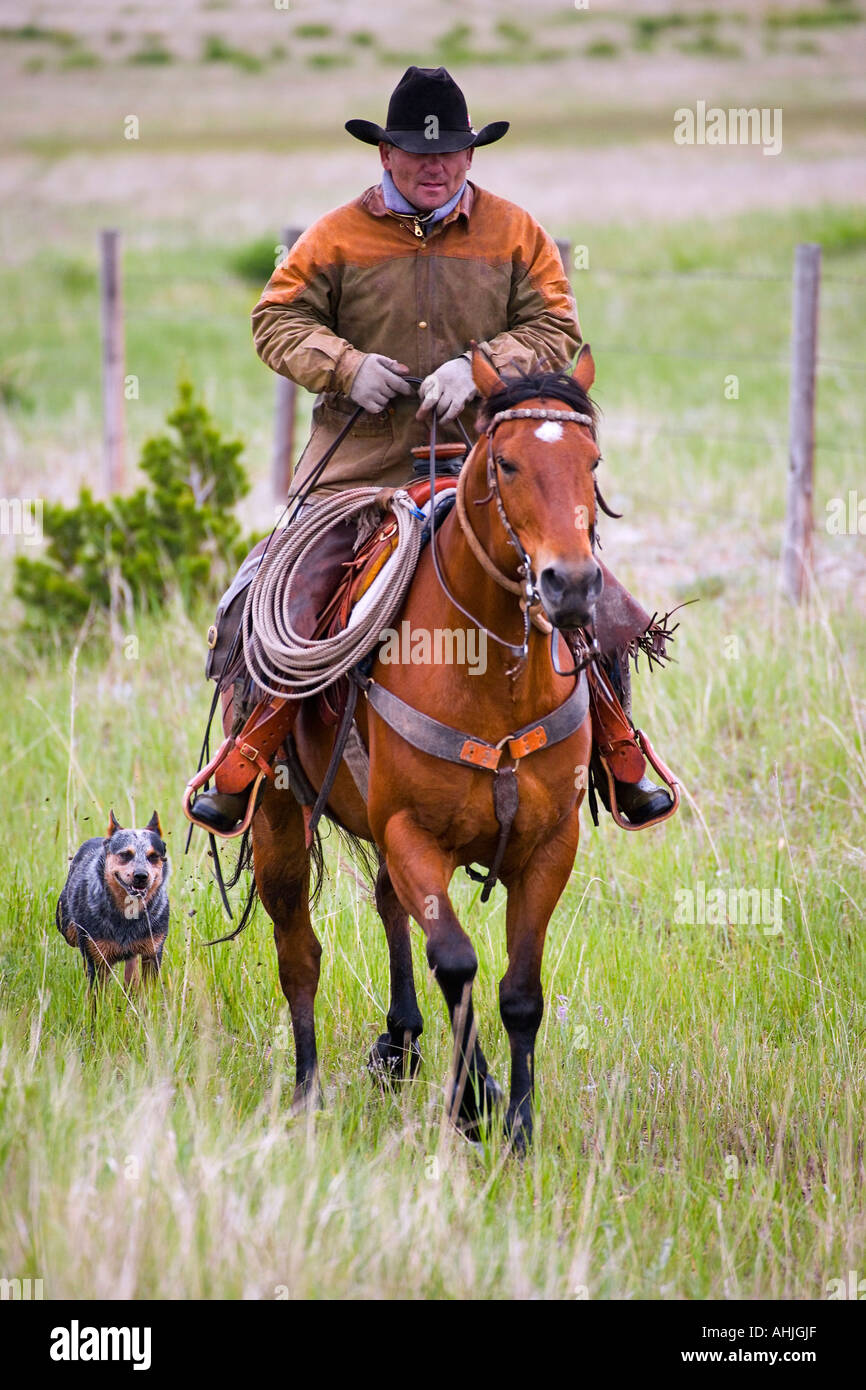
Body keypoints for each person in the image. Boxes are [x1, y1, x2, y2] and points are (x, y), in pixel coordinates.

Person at [186, 67, 676, 836]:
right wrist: (348, 368)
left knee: (586, 588)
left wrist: (477, 365)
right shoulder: (335, 236)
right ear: (385, 154)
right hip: (357, 474)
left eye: (448, 152)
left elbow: (556, 331)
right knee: (291, 600)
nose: (433, 164)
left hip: (486, 471)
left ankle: (618, 751)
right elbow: (275, 320)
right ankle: (252, 755)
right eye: (415, 151)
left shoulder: (517, 233)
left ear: (472, 156)